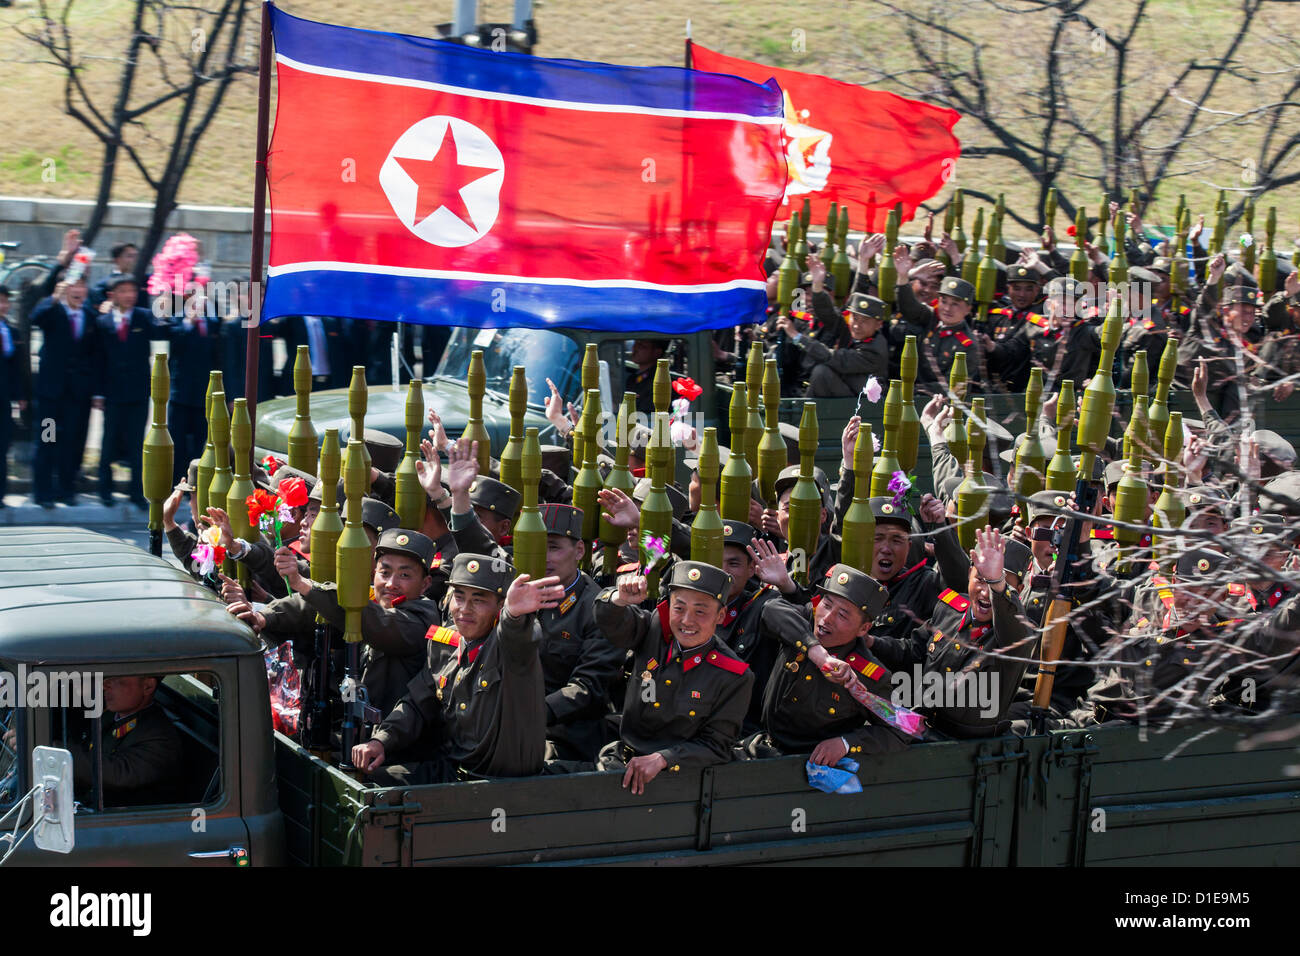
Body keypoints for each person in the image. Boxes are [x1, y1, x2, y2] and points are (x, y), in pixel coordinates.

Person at [352, 554, 565, 783]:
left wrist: (512, 615)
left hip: (500, 783)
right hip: (452, 771)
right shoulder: (445, 643)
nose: (464, 609)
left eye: (479, 600)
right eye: (459, 597)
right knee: (366, 781)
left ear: (499, 606)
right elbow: (417, 702)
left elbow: (517, 635)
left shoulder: (511, 648)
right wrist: (381, 740)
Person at [227, 527, 441, 720]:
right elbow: (312, 611)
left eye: (404, 575)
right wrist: (264, 617)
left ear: (425, 584)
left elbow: (372, 620)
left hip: (393, 749)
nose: (391, 584)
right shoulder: (371, 602)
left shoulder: (421, 620)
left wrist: (303, 584)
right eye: (385, 573)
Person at [593, 560, 753, 794]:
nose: (687, 621)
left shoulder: (734, 675)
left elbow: (716, 745)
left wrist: (664, 758)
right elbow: (609, 620)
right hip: (621, 760)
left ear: (720, 615)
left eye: (700, 611)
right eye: (679, 608)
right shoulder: (653, 629)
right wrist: (620, 598)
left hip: (679, 782)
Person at [739, 561, 911, 760]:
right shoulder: (803, 623)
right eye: (827, 604)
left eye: (843, 615)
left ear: (864, 629)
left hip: (810, 763)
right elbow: (771, 609)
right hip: (761, 746)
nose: (827, 618)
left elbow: (902, 728)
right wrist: (817, 652)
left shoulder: (866, 674)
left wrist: (847, 743)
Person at [876, 527, 1033, 738]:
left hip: (969, 748)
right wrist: (871, 642)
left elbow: (1012, 622)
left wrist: (999, 586)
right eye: (981, 579)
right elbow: (913, 650)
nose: (986, 592)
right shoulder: (950, 609)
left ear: (1019, 590)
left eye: (996, 583)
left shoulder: (1017, 634)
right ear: (969, 574)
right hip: (923, 726)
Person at [534, 503, 627, 763]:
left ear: (579, 550)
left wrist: (641, 524)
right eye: (538, 544)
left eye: (553, 547)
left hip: (568, 734)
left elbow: (587, 688)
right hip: (515, 720)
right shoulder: (521, 589)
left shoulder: (598, 608)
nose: (544, 556)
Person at [95, 274, 166, 508]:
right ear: (112, 295)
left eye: (132, 291)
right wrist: (98, 393)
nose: (129, 295)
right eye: (123, 291)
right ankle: (105, 490)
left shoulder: (144, 317)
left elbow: (163, 331)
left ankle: (137, 493)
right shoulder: (103, 322)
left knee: (137, 444)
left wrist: (167, 309)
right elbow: (98, 358)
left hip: (137, 392)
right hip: (112, 393)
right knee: (109, 442)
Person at [29, 276, 98, 507]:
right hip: (51, 394)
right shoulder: (53, 311)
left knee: (70, 442)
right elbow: (35, 318)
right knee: (47, 439)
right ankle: (43, 491)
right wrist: (54, 297)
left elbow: (92, 354)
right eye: (73, 286)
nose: (78, 290)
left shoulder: (89, 316)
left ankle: (66, 490)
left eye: (82, 285)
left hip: (76, 395)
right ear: (64, 289)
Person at [72, 675, 183, 808]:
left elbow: (117, 773)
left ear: (147, 686)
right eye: (107, 677)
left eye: (118, 679)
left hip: (119, 820)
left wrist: (62, 756)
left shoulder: (160, 737)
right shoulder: (113, 713)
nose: (105, 685)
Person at [778, 290, 889, 397]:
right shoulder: (855, 334)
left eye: (865, 321)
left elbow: (832, 357)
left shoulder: (875, 349)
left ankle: (803, 411)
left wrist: (796, 336)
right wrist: (817, 287)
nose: (856, 326)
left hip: (862, 407)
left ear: (878, 324)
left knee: (821, 372)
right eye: (854, 318)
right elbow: (828, 314)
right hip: (846, 396)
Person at [0, 286, 25, 508]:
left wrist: (20, 396)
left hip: (4, 397)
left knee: (2, 446)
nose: (3, 306)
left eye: (6, 301)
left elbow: (16, 369)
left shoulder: (12, 331)